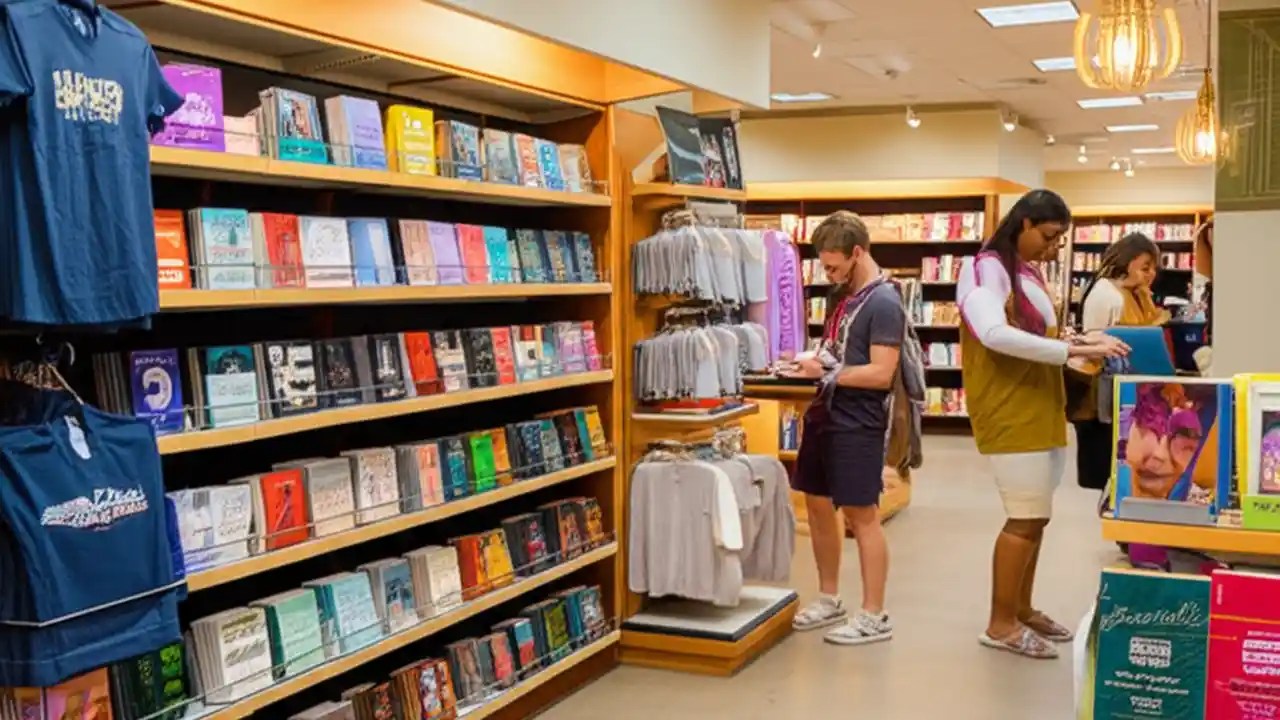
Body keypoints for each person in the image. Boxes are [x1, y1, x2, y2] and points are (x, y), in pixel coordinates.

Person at [956, 189, 1128, 660]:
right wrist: (1071, 349)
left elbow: (1035, 334)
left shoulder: (1023, 270)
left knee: (1037, 516)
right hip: (1011, 409)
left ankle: (1021, 607)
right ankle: (1000, 623)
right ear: (1025, 223)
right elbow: (993, 334)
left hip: (1040, 405)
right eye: (1049, 237)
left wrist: (1078, 341)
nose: (1054, 248)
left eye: (1060, 240)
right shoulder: (985, 269)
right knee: (1024, 517)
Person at [783, 210, 905, 646]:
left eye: (834, 266)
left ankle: (874, 613)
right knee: (817, 504)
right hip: (826, 413)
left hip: (858, 420)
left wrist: (826, 372)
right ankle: (829, 597)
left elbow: (881, 373)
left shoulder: (884, 302)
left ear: (857, 253)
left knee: (861, 514)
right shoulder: (844, 296)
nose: (828, 274)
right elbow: (837, 352)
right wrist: (811, 365)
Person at [1073, 233, 1168, 491]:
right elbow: (1093, 342)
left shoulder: (1138, 294)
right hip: (1105, 394)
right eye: (1145, 268)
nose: (1151, 274)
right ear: (1127, 261)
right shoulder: (1107, 294)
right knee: (1106, 467)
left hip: (1131, 390)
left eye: (1154, 268)